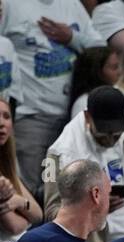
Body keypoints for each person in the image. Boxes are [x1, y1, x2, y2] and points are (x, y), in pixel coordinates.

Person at [3, 0, 104, 196]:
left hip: (71, 115)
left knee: (64, 187)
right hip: (32, 117)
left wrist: (72, 37)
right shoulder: (11, 5)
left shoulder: (72, 4)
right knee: (29, 188)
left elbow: (101, 50)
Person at [46, 85, 124, 242]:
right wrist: (92, 208)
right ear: (87, 117)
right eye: (103, 134)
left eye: (116, 134)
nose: (110, 140)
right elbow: (51, 213)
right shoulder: (58, 154)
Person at [0, 97, 44, 242]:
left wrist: (18, 201)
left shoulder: (6, 167)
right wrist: (25, 210)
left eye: (6, 116)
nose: (2, 123)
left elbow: (38, 214)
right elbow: (13, 226)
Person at [67, 46, 122, 119]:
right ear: (97, 72)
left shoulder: (118, 92)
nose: (120, 72)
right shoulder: (83, 104)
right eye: (114, 67)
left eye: (118, 66)